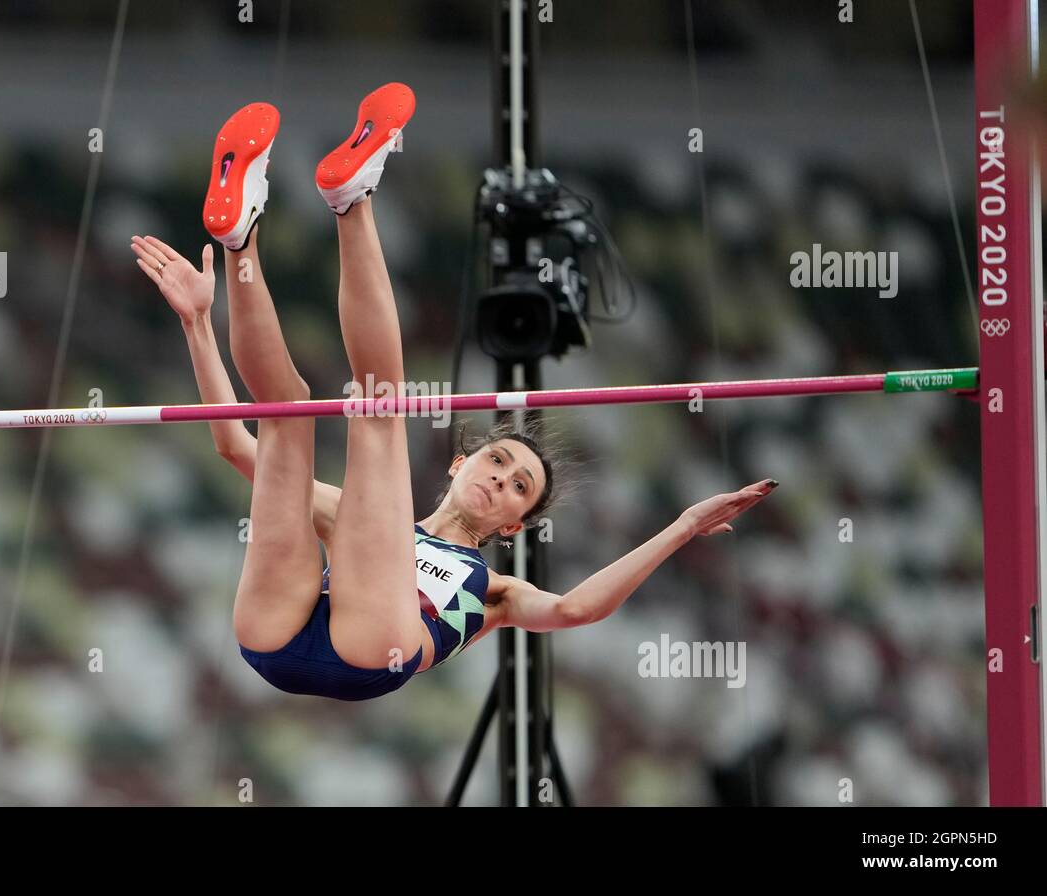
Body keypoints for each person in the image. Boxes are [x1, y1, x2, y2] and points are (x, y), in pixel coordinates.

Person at [130, 82, 776, 701]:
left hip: (368, 649)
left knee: (377, 410)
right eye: (499, 461)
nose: (502, 480)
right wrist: (196, 322)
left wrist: (685, 525)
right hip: (274, 632)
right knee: (286, 419)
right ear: (460, 461)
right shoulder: (356, 523)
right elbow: (233, 444)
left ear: (515, 523)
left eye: (519, 486)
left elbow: (580, 608)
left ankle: (353, 201)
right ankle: (241, 238)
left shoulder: (496, 592)